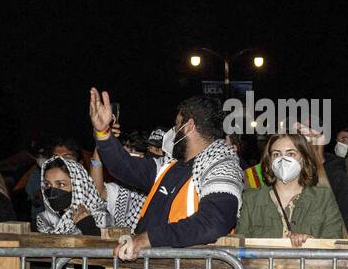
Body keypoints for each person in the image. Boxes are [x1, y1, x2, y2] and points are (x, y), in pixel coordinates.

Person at [89, 89, 243, 260]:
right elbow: (124, 166)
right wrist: (103, 133)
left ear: (189, 126)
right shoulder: (168, 166)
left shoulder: (222, 166)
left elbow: (213, 223)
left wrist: (148, 239)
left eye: (177, 125)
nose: (173, 132)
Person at [236, 133, 345, 243]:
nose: (283, 159)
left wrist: (310, 242)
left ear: (304, 157)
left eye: (291, 154)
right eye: (276, 154)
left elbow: (334, 241)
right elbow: (238, 243)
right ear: (269, 160)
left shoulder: (323, 198)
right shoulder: (251, 199)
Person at [33, 155, 108, 236]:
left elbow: (109, 246)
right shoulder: (45, 220)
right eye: (47, 184)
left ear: (78, 186)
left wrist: (89, 228)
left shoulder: (100, 217)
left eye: (61, 184)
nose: (52, 191)